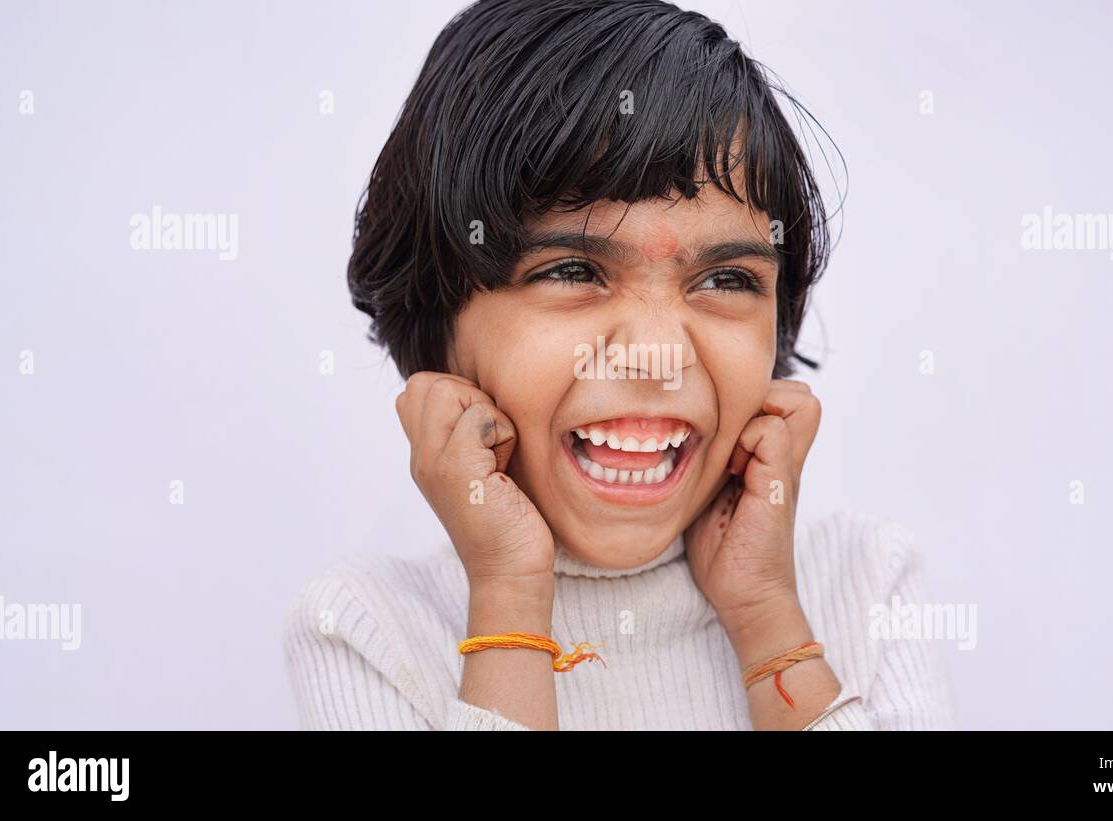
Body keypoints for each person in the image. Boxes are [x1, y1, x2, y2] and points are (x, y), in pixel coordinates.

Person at [284, 0, 956, 730]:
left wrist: (767, 616)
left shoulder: (865, 583)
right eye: (573, 269)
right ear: (439, 317)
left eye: (727, 280)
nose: (655, 355)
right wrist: (508, 591)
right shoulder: (364, 628)